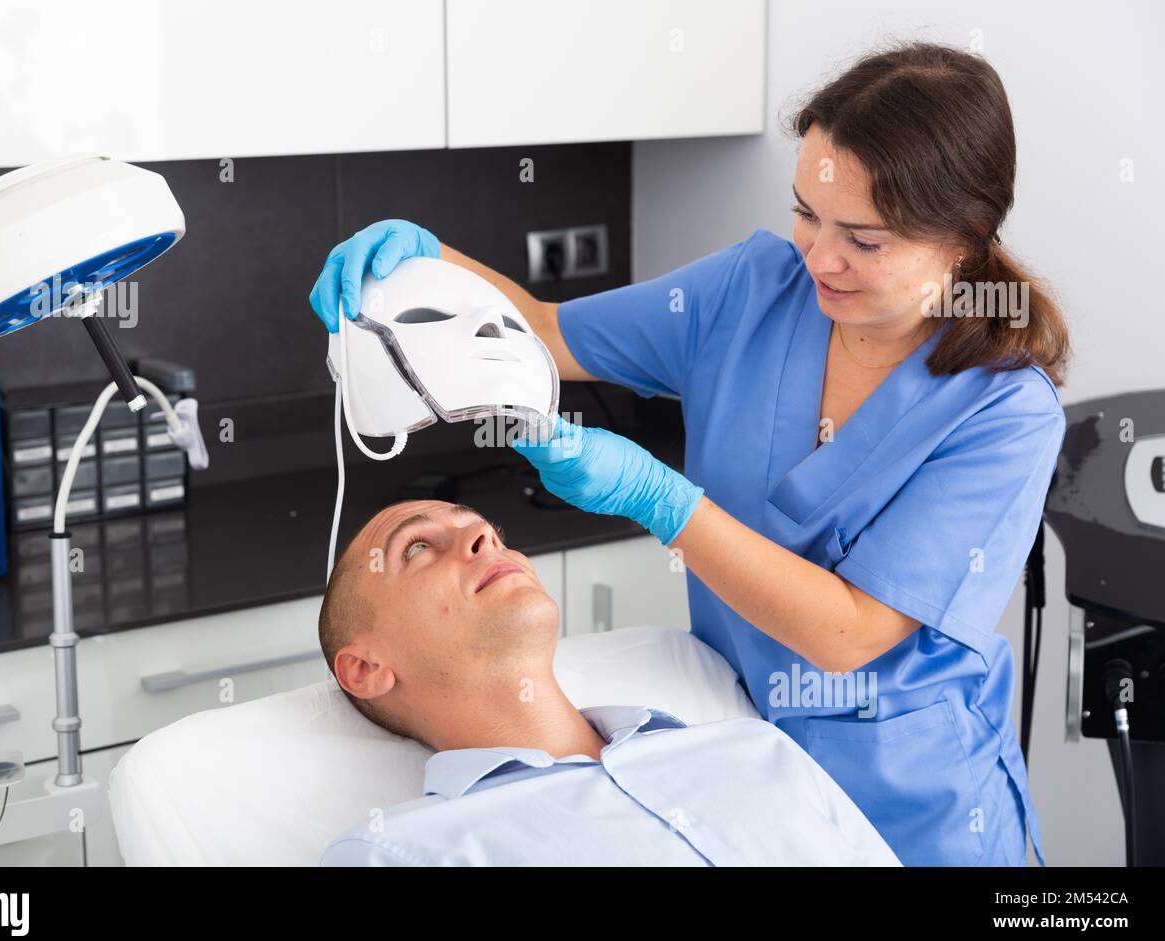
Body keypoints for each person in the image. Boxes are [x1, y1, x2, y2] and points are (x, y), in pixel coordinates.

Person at [310, 42, 1070, 866]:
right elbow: (551, 333)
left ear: (962, 240)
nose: (817, 257)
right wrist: (422, 261)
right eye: (807, 214)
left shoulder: (1003, 413)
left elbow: (851, 636)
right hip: (726, 761)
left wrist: (657, 498)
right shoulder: (756, 288)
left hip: (914, 808)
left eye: (864, 240)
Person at [316, 499, 900, 866]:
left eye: (489, 531)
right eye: (416, 548)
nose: (485, 540)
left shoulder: (752, 747)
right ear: (365, 669)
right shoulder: (397, 852)